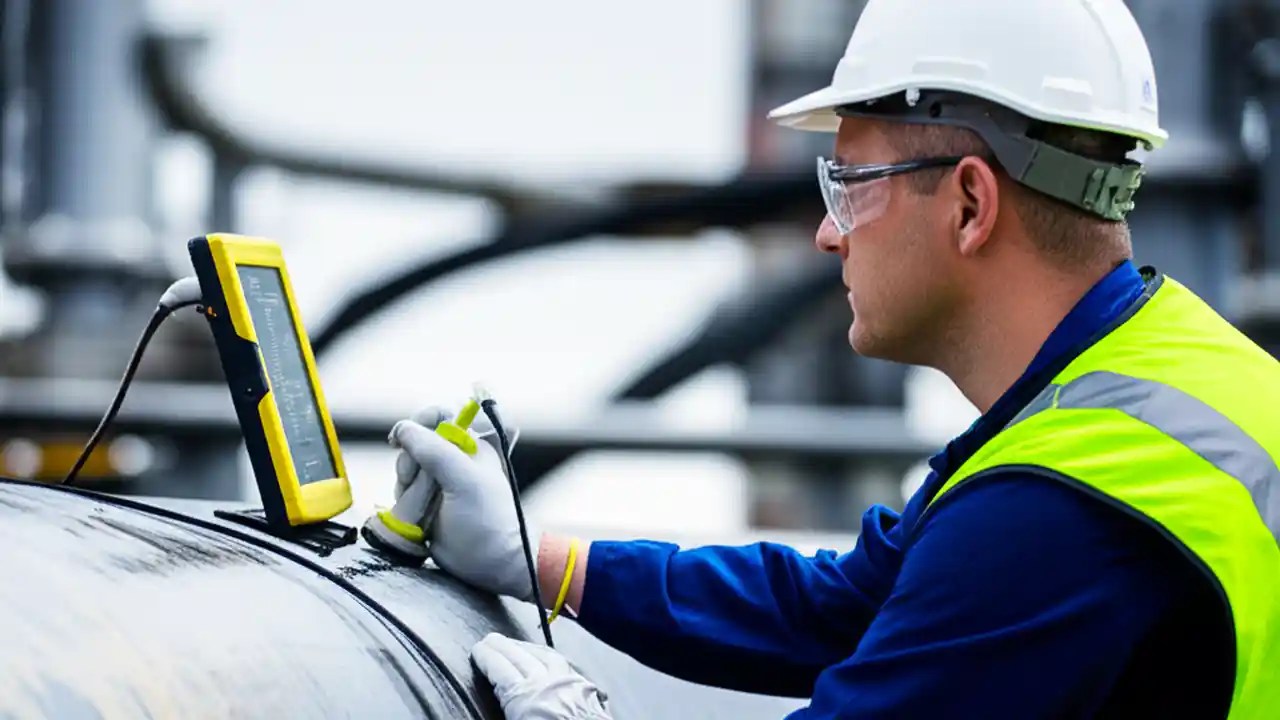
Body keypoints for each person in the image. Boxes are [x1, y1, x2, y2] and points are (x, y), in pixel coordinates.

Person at [388, 1, 1280, 717]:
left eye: (847, 185)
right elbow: (848, 609)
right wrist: (542, 562)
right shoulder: (1165, 374)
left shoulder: (1058, 507)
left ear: (969, 204)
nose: (824, 234)